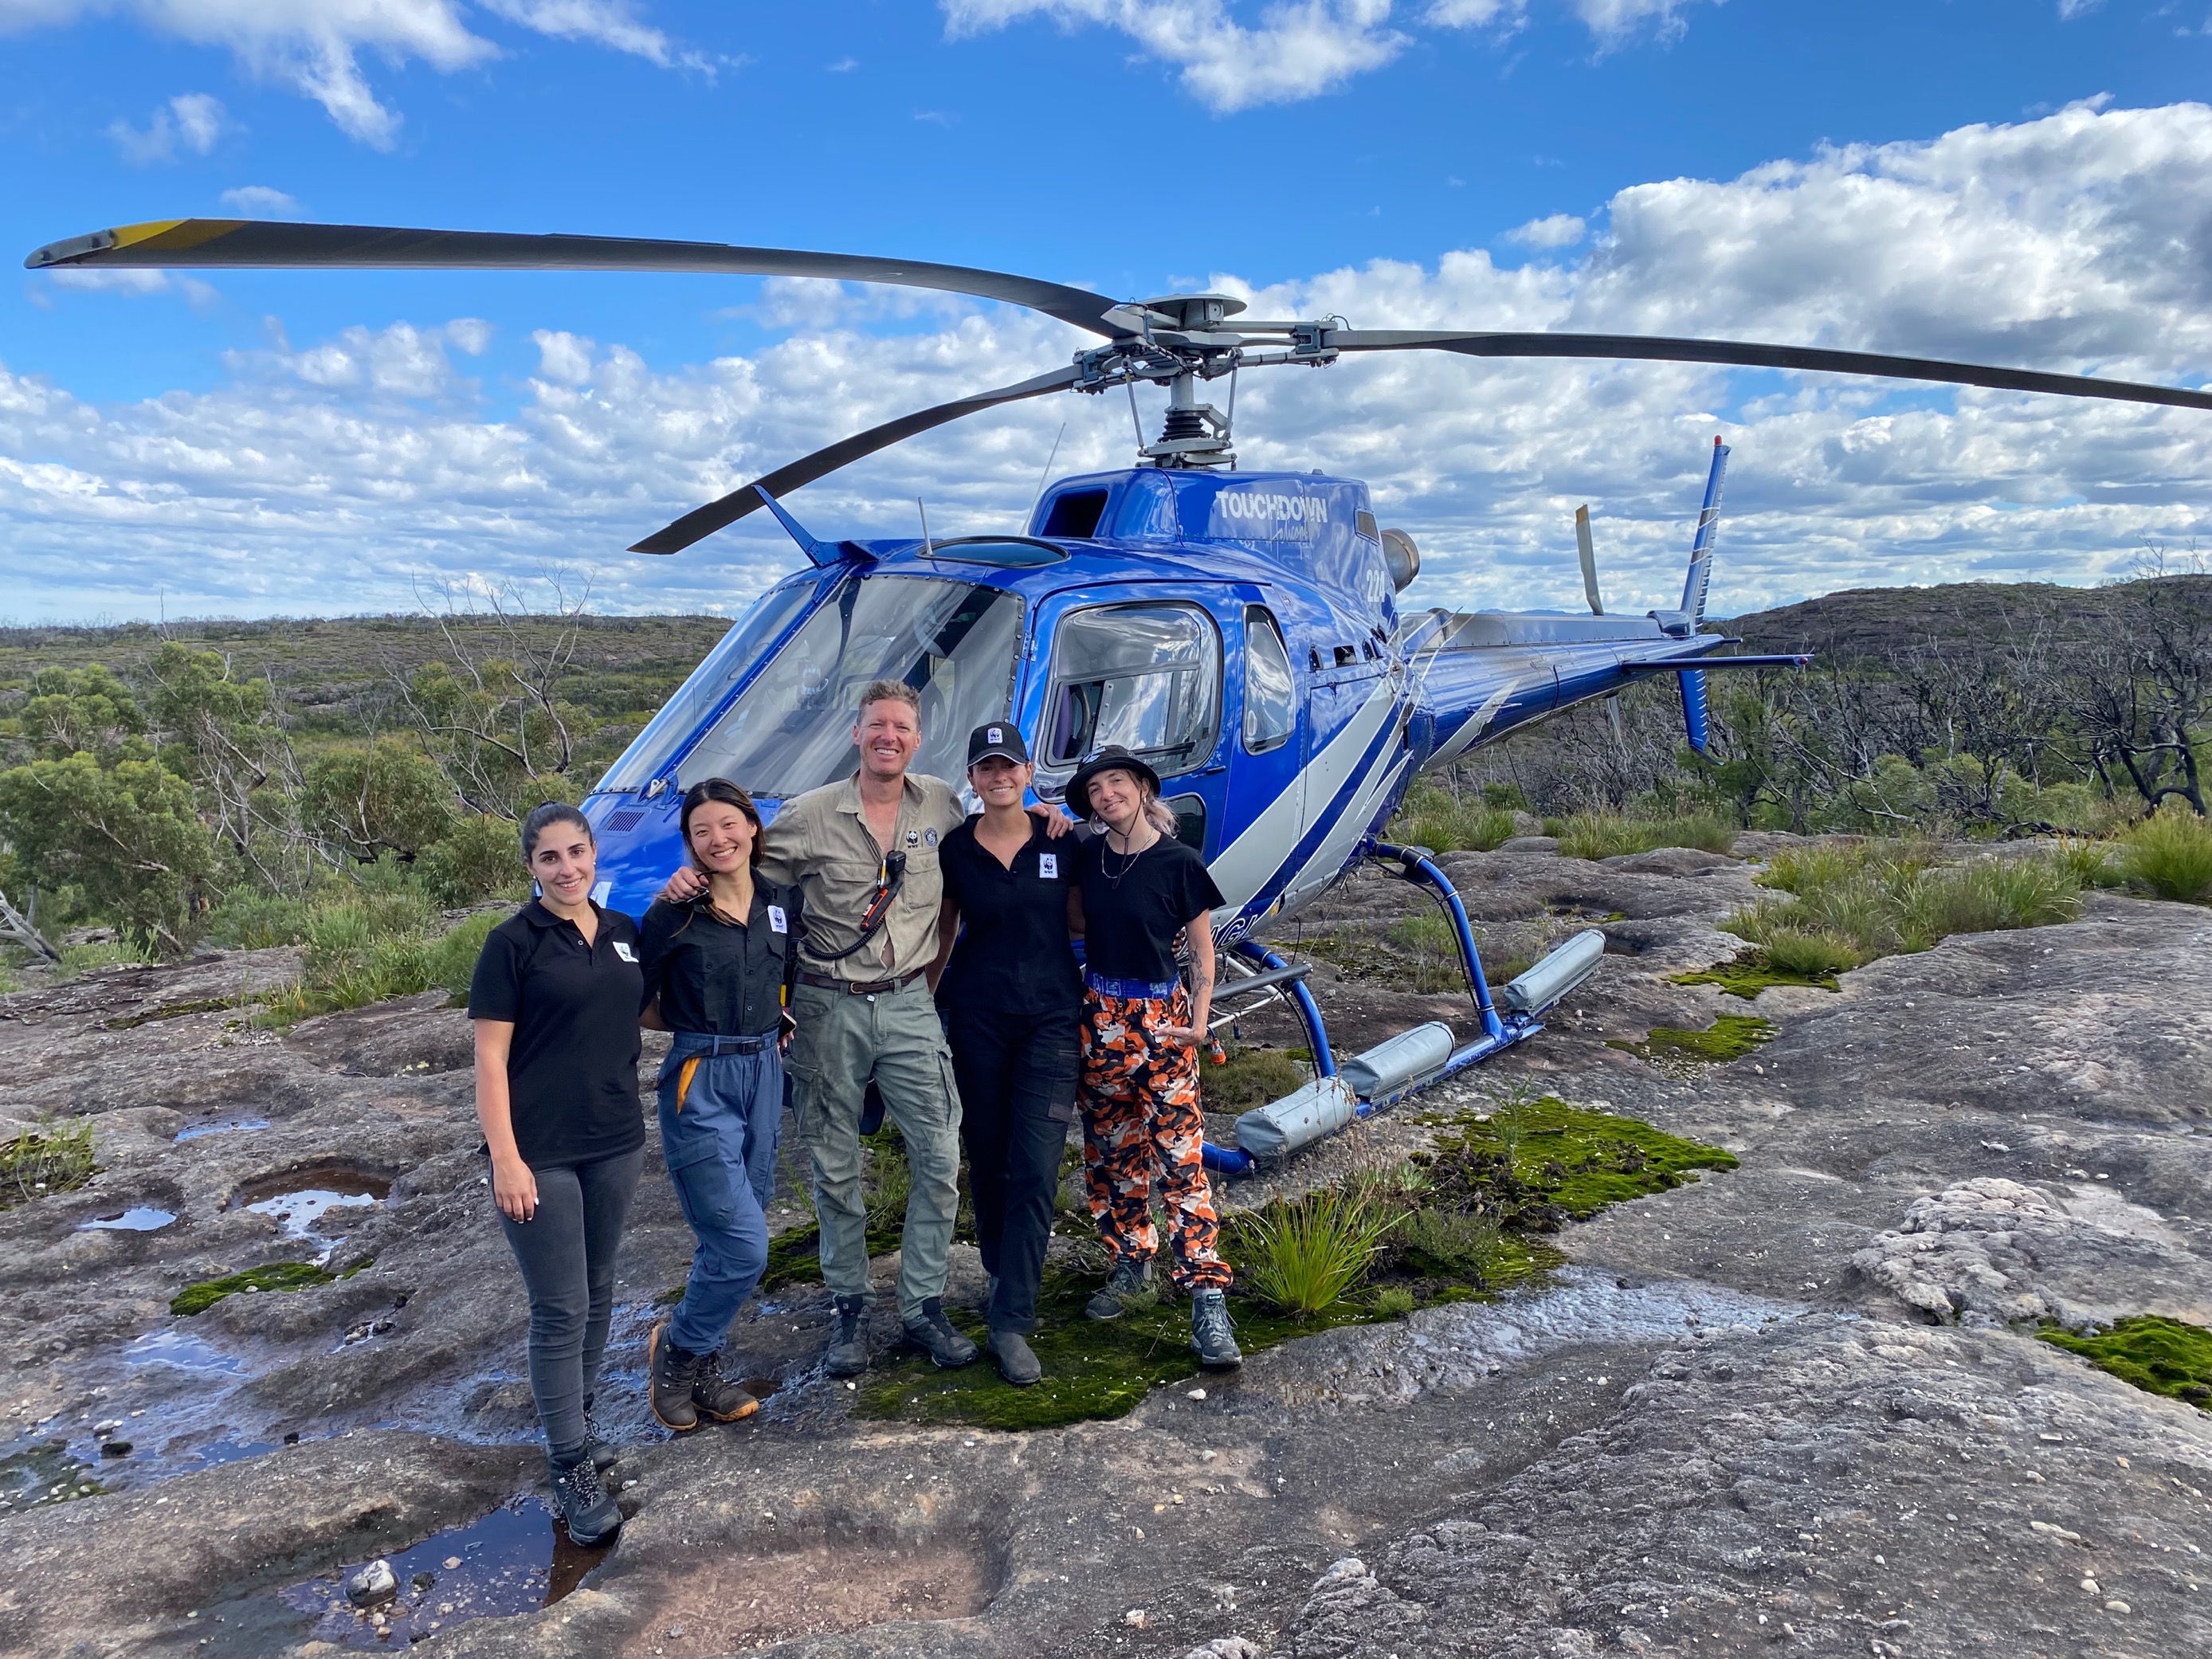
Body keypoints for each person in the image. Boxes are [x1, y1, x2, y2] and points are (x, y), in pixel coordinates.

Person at [659, 680, 1068, 1379]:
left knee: (940, 1156)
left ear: (917, 738)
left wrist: (1048, 811)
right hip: (827, 1006)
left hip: (910, 1002)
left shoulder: (940, 801)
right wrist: (686, 879)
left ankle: (921, 1308)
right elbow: (743, 866)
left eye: (902, 727)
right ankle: (849, 1309)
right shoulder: (810, 814)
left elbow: (999, 820)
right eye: (877, 725)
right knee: (835, 1165)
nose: (890, 736)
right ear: (857, 734)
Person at [469, 802, 645, 1547]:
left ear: (595, 852)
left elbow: (646, 1008)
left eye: (578, 852)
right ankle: (569, 1461)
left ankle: (584, 1419)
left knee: (600, 1287)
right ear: (531, 867)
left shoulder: (623, 933)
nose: (568, 869)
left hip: (615, 1138)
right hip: (540, 1150)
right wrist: (506, 1158)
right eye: (551, 858)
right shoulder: (511, 944)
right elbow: (488, 1060)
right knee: (561, 1305)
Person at [1066, 746, 1242, 1370]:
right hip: (1101, 1018)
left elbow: (1202, 951)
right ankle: (1131, 1263)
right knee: (1113, 1153)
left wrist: (1199, 1021)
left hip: (1164, 1024)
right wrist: (1046, 813)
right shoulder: (1087, 856)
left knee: (1181, 1159)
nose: (1106, 795)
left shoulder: (1178, 862)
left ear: (1143, 789)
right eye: (1094, 790)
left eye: (1118, 783)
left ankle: (1205, 1295)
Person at [637, 779, 802, 1432]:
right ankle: (676, 1353)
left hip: (765, 1072)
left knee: (735, 1228)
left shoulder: (781, 903)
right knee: (744, 1245)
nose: (718, 839)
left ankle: (701, 1367)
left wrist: (776, 1018)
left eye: (729, 824)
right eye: (702, 831)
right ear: (689, 843)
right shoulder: (671, 915)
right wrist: (695, 1026)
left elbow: (782, 972)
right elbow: (635, 998)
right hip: (701, 1078)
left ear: (753, 827)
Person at [929, 721, 1084, 1386]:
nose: (999, 777)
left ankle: (1013, 1319)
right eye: (986, 767)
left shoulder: (1062, 839)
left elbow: (1082, 920)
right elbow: (942, 931)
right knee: (987, 1156)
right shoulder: (956, 850)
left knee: (1036, 1163)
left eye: (1010, 766)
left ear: (1028, 772)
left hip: (1051, 1019)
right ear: (972, 779)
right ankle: (1000, 1270)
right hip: (976, 1017)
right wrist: (922, 1008)